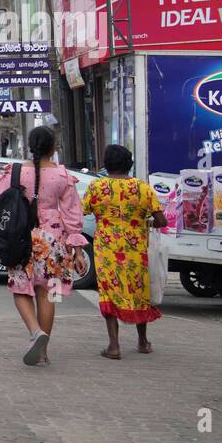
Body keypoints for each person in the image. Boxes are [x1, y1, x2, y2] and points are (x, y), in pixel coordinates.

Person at [0, 125, 87, 366]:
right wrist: (78, 250)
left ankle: (35, 332)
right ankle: (43, 350)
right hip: (54, 241)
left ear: (30, 146)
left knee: (21, 290)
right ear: (53, 149)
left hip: (21, 238)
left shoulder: (14, 172)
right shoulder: (63, 175)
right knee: (49, 294)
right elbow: (73, 212)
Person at [81, 144, 168, 359]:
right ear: (129, 164)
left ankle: (114, 346)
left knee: (109, 294)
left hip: (107, 252)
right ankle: (143, 341)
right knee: (138, 292)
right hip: (136, 252)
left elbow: (83, 211)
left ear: (106, 164)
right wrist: (141, 222)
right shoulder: (143, 188)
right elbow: (162, 221)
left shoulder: (96, 187)